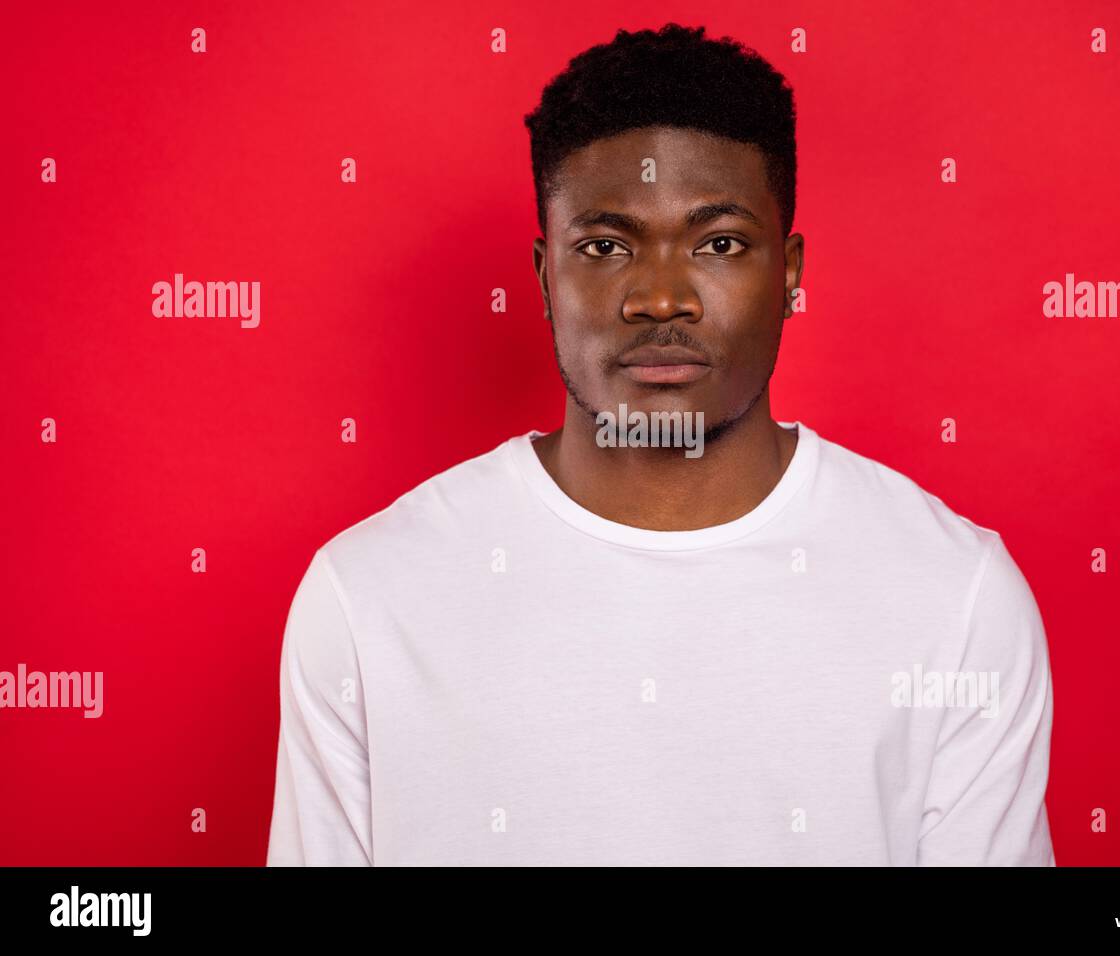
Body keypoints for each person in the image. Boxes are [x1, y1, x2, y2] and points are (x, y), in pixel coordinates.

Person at [266, 22, 1055, 866]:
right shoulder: (368, 596)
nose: (662, 298)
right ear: (544, 278)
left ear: (789, 274)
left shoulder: (955, 595)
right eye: (605, 247)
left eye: (719, 243)